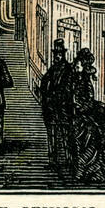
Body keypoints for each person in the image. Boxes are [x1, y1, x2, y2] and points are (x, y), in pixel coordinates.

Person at [72, 48, 105, 182]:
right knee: (85, 145)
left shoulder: (84, 82)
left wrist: (84, 107)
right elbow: (79, 99)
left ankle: (89, 172)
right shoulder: (80, 81)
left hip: (86, 118)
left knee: (90, 145)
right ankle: (86, 171)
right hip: (82, 117)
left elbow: (86, 100)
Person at [39, 39, 76, 180]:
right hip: (51, 109)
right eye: (56, 54)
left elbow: (67, 89)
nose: (57, 57)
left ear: (63, 55)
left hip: (62, 109)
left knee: (65, 135)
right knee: (52, 135)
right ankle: (53, 161)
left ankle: (67, 161)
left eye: (59, 54)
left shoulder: (68, 70)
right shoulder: (52, 70)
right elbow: (44, 83)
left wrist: (54, 95)